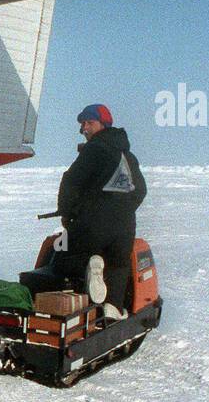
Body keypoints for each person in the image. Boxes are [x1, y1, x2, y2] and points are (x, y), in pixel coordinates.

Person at [50, 104, 146, 319]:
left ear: (103, 124)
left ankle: (82, 297)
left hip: (93, 222)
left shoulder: (94, 149)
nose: (84, 128)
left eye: (89, 122)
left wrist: (67, 213)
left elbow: (71, 182)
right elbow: (140, 190)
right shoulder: (128, 156)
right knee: (119, 265)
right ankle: (112, 308)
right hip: (125, 226)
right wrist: (123, 209)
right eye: (82, 124)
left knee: (63, 257)